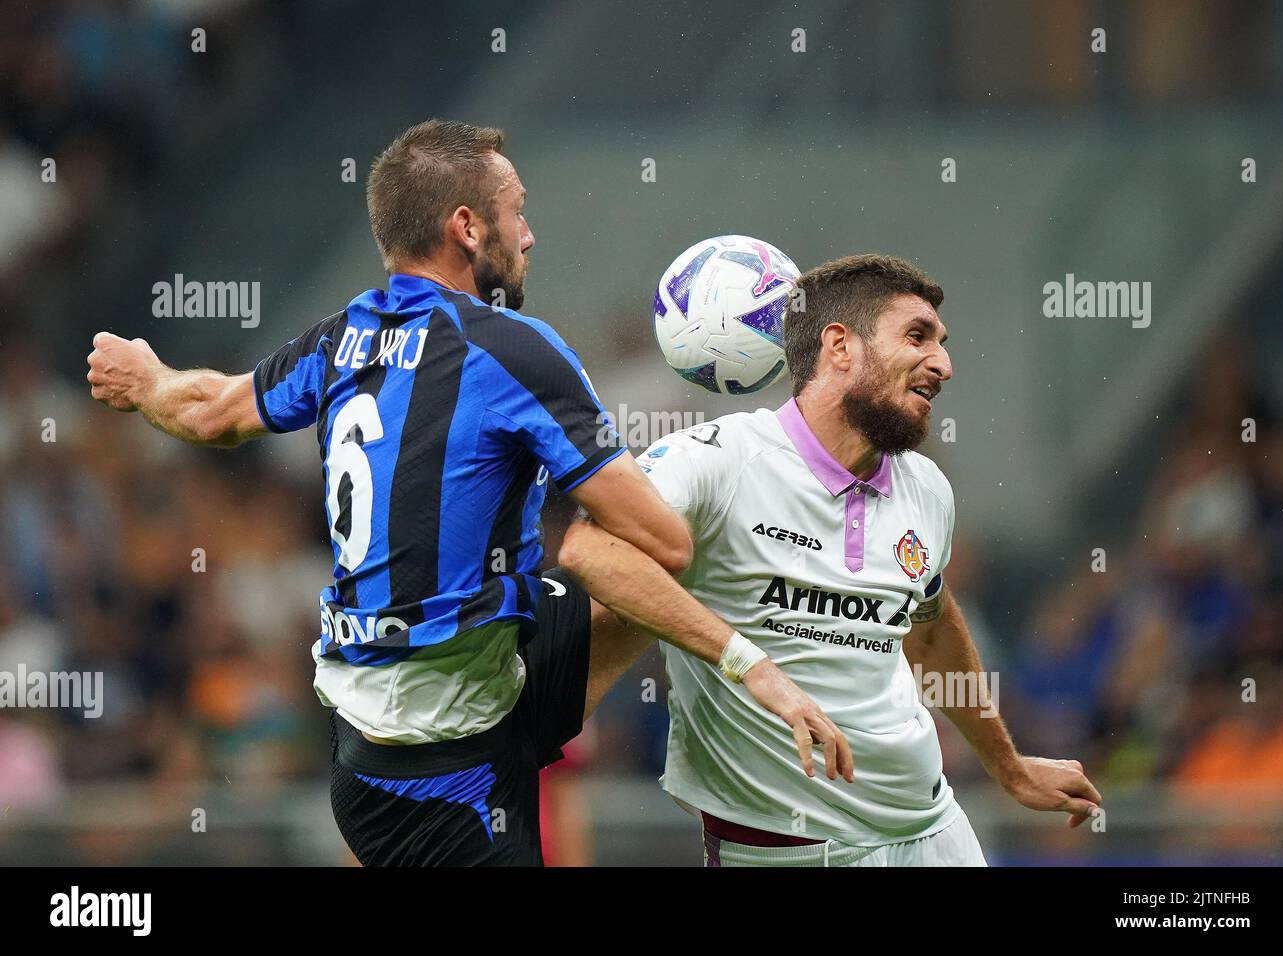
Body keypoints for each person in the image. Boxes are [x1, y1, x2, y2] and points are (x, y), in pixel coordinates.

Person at [85, 118, 849, 866]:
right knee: (662, 548)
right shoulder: (512, 351)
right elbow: (667, 540)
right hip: (431, 773)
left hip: (441, 693)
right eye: (517, 211)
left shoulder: (341, 337)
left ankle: (768, 773)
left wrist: (148, 380)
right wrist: (713, 461)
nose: (529, 234)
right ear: (466, 227)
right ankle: (767, 698)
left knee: (620, 592)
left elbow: (212, 410)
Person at [559, 253, 1103, 866]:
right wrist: (748, 663)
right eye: (918, 336)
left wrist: (1008, 765)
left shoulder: (927, 488)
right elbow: (588, 548)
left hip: (933, 831)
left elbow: (927, 629)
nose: (944, 365)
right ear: (840, 346)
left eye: (942, 344)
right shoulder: (717, 460)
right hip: (787, 851)